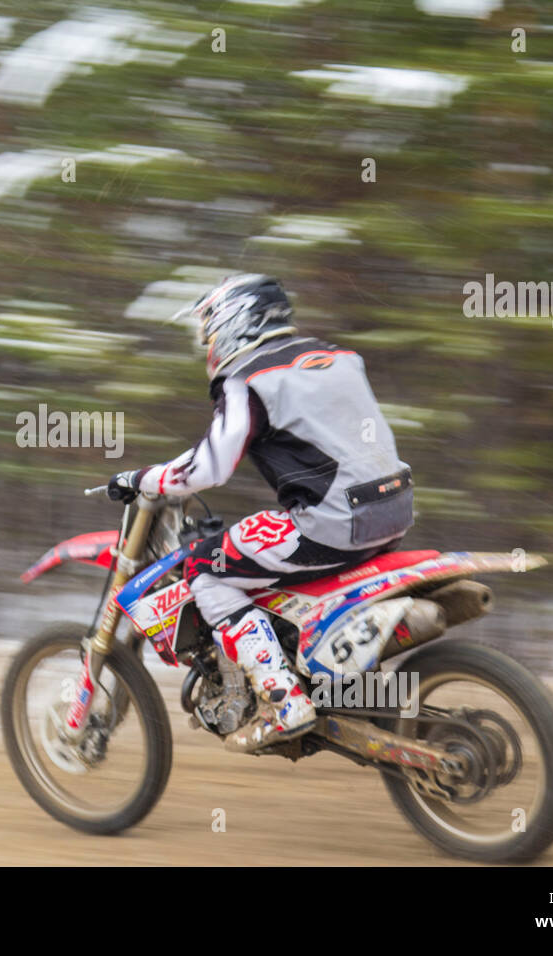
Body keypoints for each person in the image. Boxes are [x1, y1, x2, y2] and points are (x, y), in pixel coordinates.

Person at [107, 274, 414, 754]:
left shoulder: (248, 378)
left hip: (332, 522)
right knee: (265, 559)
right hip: (393, 508)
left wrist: (142, 478)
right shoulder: (337, 358)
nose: (207, 343)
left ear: (235, 323)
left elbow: (208, 468)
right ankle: (320, 675)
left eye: (210, 329)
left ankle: (283, 700)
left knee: (206, 571)